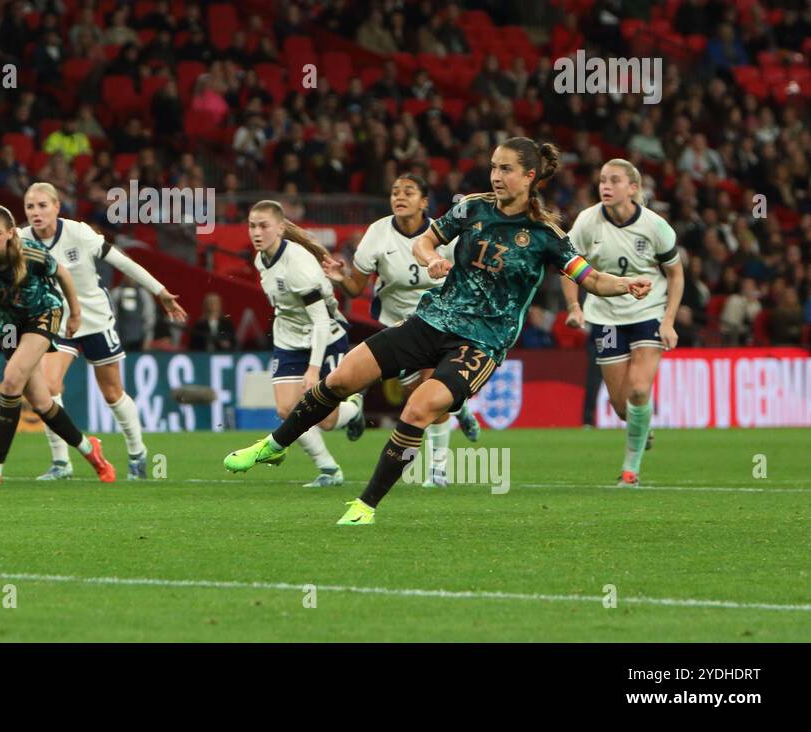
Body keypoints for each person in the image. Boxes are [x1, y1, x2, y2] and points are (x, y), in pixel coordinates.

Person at [224, 138, 655, 525]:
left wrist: (625, 284)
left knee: (417, 410)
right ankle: (274, 445)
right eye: (493, 167)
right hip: (432, 320)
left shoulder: (546, 235)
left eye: (506, 169)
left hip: (481, 343)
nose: (496, 176)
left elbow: (592, 279)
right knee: (340, 379)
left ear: (529, 176)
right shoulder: (472, 208)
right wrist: (432, 258)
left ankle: (366, 505)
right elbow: (424, 241)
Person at [323, 174, 482, 488]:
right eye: (395, 192)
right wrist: (341, 279)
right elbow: (356, 289)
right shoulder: (377, 234)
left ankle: (438, 470)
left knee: (431, 392)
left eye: (409, 192)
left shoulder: (445, 235)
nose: (399, 197)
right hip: (398, 327)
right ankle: (459, 407)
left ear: (424, 202)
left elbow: (467, 280)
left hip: (439, 323)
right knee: (416, 398)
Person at [20, 183, 187, 481]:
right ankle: (61, 463)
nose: (36, 212)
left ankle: (137, 453)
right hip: (58, 321)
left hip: (95, 318)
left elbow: (121, 261)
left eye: (43, 205)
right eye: (30, 206)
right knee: (48, 388)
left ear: (57, 207)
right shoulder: (21, 240)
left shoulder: (78, 233)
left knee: (112, 392)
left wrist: (159, 291)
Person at [0, 204, 115, 486]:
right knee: (42, 402)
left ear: (10, 233)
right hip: (7, 325)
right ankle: (89, 450)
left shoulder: (30, 252)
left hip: (43, 314)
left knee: (10, 382)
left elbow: (62, 274)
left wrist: (76, 314)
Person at [563, 159, 683, 487]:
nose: (606, 186)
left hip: (648, 312)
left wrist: (668, 321)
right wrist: (574, 307)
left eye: (614, 180)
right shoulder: (587, 222)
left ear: (633, 188)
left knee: (640, 389)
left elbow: (676, 274)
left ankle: (631, 471)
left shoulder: (655, 226)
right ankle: (642, 427)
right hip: (605, 317)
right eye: (603, 180)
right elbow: (567, 266)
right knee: (620, 406)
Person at [248, 200, 365, 488]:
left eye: (263, 226)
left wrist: (313, 369)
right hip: (288, 338)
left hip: (325, 337)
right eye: (252, 226)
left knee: (326, 421)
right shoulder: (260, 259)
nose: (257, 232)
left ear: (280, 228)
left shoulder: (299, 266)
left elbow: (321, 321)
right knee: (286, 409)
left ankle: (354, 409)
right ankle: (329, 469)